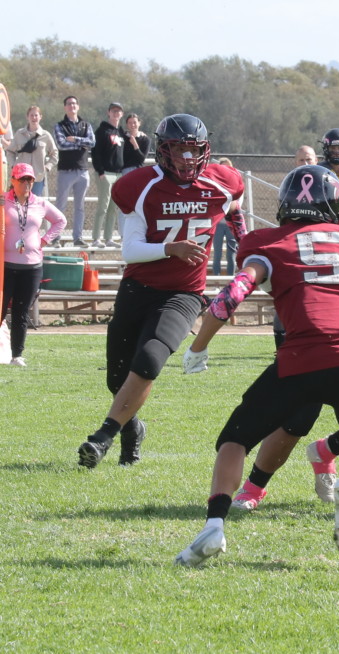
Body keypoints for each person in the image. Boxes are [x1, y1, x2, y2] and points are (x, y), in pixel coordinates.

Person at [175, 165, 339, 565]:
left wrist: (198, 346)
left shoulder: (267, 242)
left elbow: (232, 295)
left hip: (300, 358)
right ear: (336, 206)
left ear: (286, 205)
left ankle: (214, 527)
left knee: (234, 441)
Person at [77, 114, 247, 469]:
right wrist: (172, 248)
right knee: (117, 377)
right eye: (179, 149)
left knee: (150, 360)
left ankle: (102, 436)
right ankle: (132, 428)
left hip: (184, 293)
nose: (187, 158)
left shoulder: (222, 182)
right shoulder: (141, 184)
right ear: (163, 150)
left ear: (204, 151)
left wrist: (241, 235)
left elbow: (234, 205)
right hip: (138, 288)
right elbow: (130, 250)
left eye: (193, 150)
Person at [2, 163, 67, 367]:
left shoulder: (40, 203)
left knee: (21, 312)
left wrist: (44, 240)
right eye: (22, 179)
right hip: (5, 266)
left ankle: (17, 355)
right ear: (13, 181)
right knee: (0, 310)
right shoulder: (4, 200)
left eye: (30, 179)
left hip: (31, 267)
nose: (27, 183)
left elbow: (61, 221)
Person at [53, 96, 95, 248]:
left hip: (83, 171)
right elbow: (61, 144)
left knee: (80, 206)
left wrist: (75, 139)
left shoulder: (86, 125)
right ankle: (56, 237)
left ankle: (78, 237)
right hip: (65, 171)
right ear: (65, 107)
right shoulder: (59, 126)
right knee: (60, 205)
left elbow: (92, 142)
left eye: (74, 103)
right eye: (69, 104)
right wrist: (81, 143)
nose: (72, 106)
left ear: (78, 106)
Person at [90, 102, 127, 248]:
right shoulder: (102, 131)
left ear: (122, 114)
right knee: (102, 207)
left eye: (118, 111)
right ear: (108, 113)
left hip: (118, 174)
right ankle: (95, 238)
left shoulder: (121, 133)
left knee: (113, 208)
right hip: (105, 173)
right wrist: (100, 171)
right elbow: (95, 153)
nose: (116, 113)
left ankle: (108, 237)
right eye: (113, 111)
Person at [4, 106, 59, 197]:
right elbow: (10, 151)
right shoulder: (19, 134)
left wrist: (47, 167)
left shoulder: (46, 136)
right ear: (27, 117)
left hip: (37, 178)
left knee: (34, 206)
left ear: (40, 117)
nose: (34, 118)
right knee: (18, 204)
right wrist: (13, 165)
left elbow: (55, 154)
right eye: (31, 115)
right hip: (20, 178)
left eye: (36, 115)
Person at [210, 157, 239, 275]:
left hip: (230, 224)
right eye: (223, 167)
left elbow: (236, 204)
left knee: (231, 254)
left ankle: (230, 278)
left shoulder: (235, 184)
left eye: (228, 167)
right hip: (218, 224)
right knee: (217, 253)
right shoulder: (214, 185)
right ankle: (216, 281)